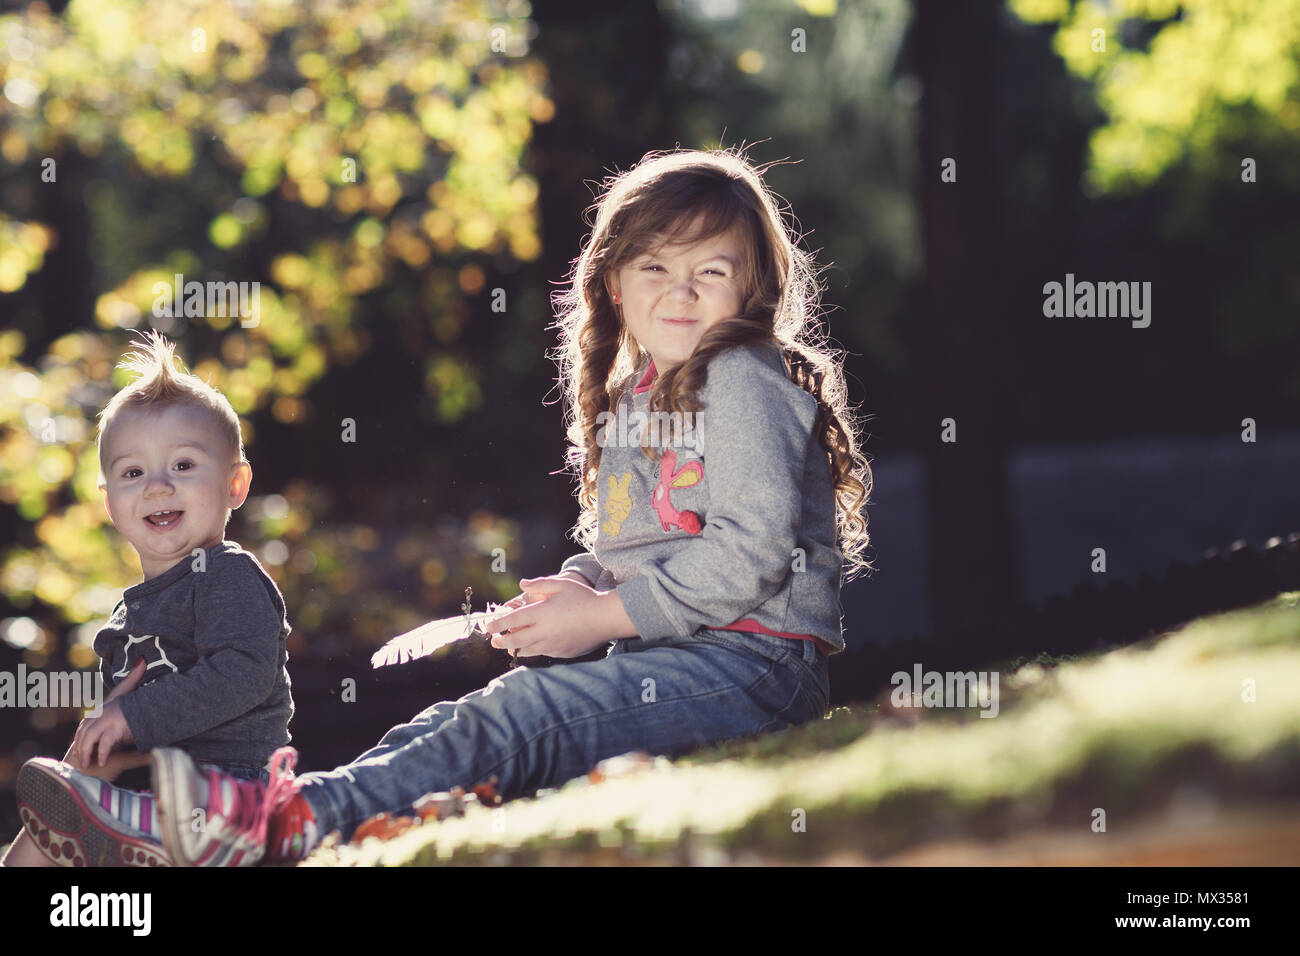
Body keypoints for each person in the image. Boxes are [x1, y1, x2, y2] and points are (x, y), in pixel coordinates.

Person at [66, 146, 873, 866]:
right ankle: (272, 814)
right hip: (679, 660)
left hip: (755, 671)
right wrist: (578, 588)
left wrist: (600, 619)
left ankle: (282, 825)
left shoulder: (742, 377)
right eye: (656, 268)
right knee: (457, 716)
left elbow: (752, 555)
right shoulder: (638, 400)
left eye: (712, 270)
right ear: (616, 286)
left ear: (754, 283)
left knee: (523, 711)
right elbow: (649, 549)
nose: (681, 292)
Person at [1, 331, 294, 867]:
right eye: (133, 473)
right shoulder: (128, 614)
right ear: (110, 503)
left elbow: (245, 672)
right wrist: (99, 750)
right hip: (148, 792)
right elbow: (126, 731)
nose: (157, 486)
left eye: (183, 465)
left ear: (235, 484)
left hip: (231, 786)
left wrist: (132, 715)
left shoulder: (225, 574)